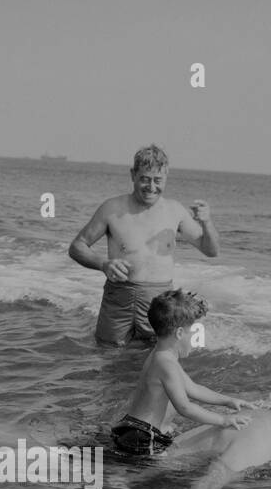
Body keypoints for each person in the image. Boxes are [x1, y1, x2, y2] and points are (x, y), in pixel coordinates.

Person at [69, 144, 220, 346]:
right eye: (145, 179)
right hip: (118, 299)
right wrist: (103, 264)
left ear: (166, 177)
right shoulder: (112, 208)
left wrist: (207, 222)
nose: (151, 187)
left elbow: (211, 250)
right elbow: (77, 246)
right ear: (133, 175)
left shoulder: (175, 211)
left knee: (156, 357)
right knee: (109, 355)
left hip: (161, 301)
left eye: (158, 180)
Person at [110, 289, 255, 456]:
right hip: (142, 436)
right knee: (149, 478)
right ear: (179, 333)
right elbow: (184, 407)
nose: (196, 338)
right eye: (195, 331)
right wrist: (223, 420)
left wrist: (228, 401)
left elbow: (193, 388)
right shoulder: (166, 363)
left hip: (136, 430)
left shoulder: (162, 356)